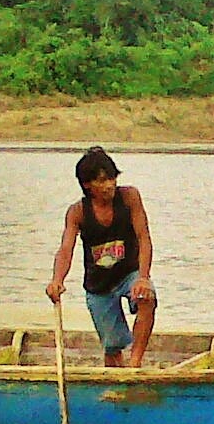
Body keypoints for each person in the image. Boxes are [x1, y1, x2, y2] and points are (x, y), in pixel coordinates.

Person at [45, 146, 157, 368]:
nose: (109, 185)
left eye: (112, 178)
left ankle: (135, 364)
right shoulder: (77, 212)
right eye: (102, 181)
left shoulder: (129, 198)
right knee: (112, 347)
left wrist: (143, 277)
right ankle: (117, 386)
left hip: (129, 274)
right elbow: (66, 249)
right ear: (88, 185)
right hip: (99, 286)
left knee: (148, 298)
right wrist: (57, 280)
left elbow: (144, 238)